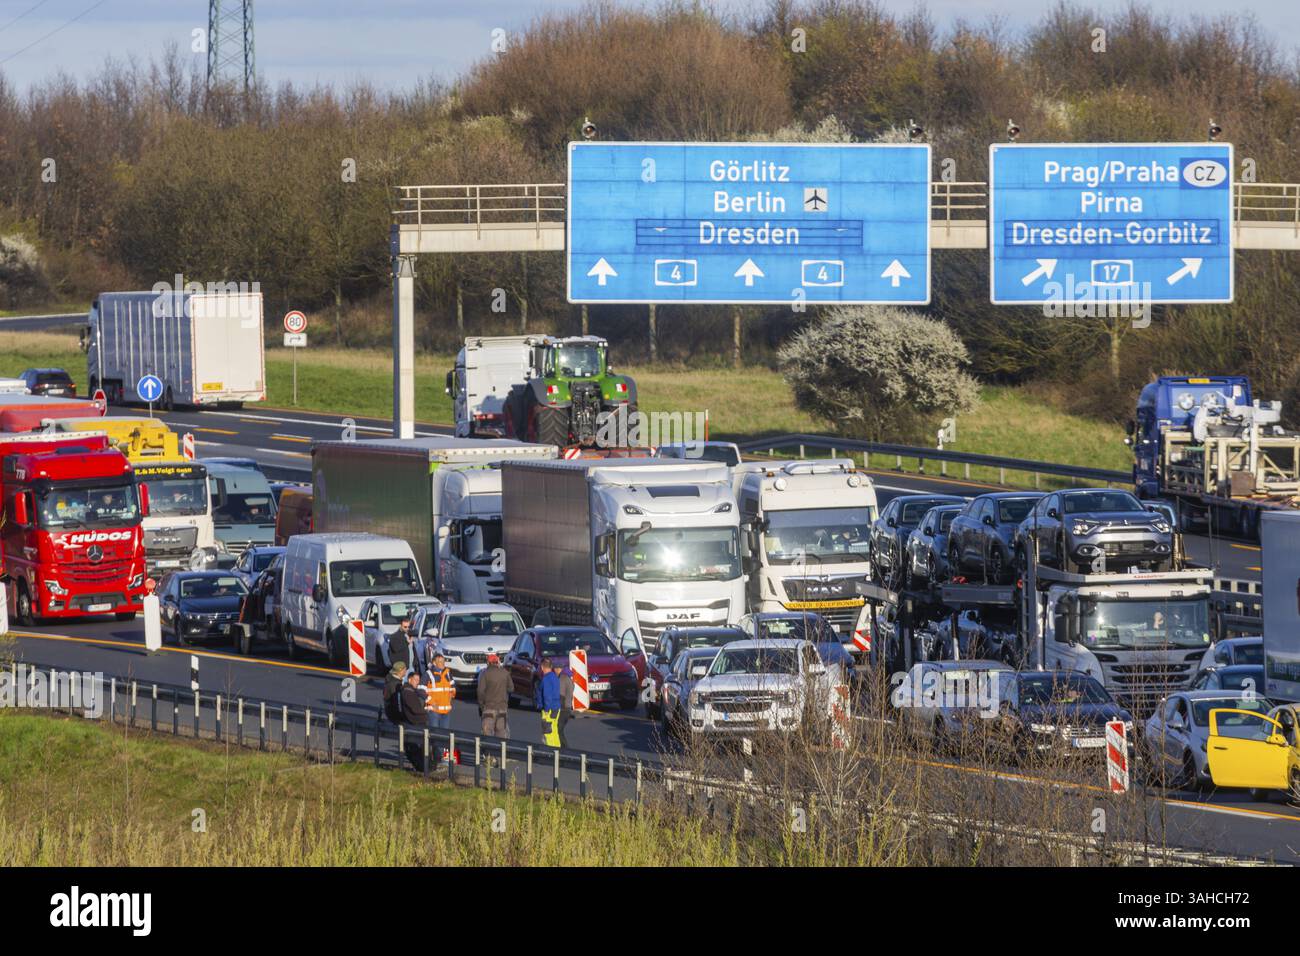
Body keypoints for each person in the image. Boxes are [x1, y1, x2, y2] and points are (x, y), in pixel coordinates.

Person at [399, 670, 429, 771]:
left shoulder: (411, 690)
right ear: (409, 679)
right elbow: (415, 709)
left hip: (416, 722)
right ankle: (422, 767)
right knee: (419, 748)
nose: (417, 682)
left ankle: (422, 766)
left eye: (418, 680)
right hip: (416, 723)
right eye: (415, 680)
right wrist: (425, 711)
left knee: (419, 747)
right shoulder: (408, 692)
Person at [476, 652, 511, 738]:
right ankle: (501, 751)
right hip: (502, 708)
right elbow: (511, 688)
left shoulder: (485, 674)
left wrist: (481, 705)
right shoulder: (505, 673)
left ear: (488, 663)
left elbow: (480, 691)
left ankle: (489, 751)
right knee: (502, 735)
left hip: (488, 708)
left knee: (487, 735)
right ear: (497, 662)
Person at [425, 652, 455, 733]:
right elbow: (421, 690)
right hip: (434, 711)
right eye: (440, 662)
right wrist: (431, 702)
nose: (443, 664)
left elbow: (452, 687)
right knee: (435, 735)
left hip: (446, 711)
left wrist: (450, 697)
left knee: (444, 736)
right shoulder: (428, 674)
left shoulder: (447, 673)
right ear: (434, 663)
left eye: (443, 662)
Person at [536, 658, 562, 748]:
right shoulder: (555, 677)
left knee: (547, 732)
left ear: (542, 667)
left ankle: (550, 752)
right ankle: (557, 750)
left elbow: (547, 696)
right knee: (554, 730)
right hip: (556, 708)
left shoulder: (546, 679)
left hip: (549, 709)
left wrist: (546, 709)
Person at [557, 663, 575, 748]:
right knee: (560, 730)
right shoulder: (568, 678)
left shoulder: (562, 678)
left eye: (555, 669)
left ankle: (565, 750)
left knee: (558, 730)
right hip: (568, 708)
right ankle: (565, 749)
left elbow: (561, 696)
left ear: (559, 669)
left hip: (563, 709)